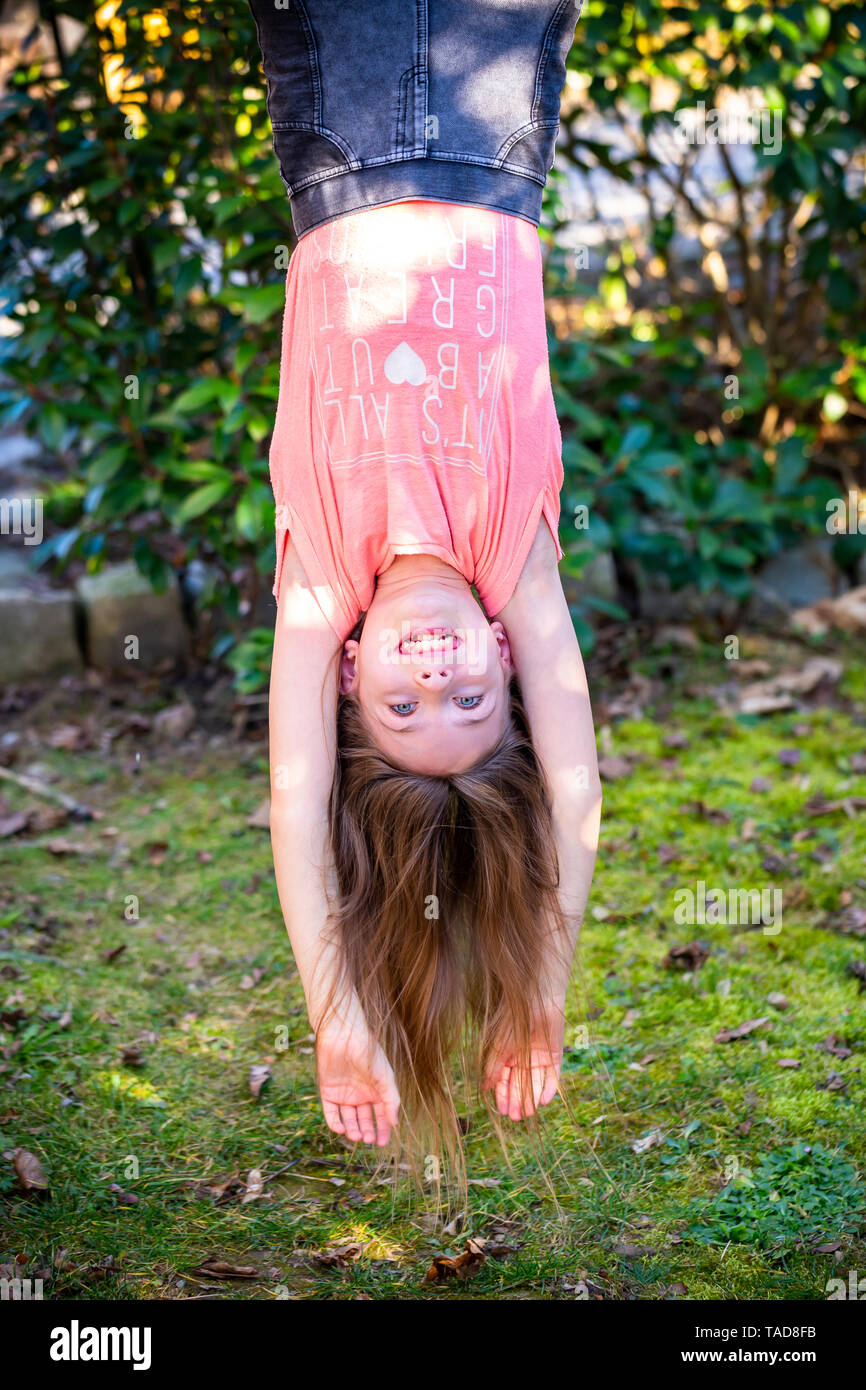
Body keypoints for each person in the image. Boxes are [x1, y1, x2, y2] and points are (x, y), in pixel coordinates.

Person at [249, 0, 601, 1151]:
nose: (435, 673)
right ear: (509, 661)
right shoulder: (517, 562)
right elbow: (575, 797)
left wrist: (335, 1009)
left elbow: (300, 802)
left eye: (402, 707)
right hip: (490, 133)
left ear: (348, 676)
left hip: (338, 135)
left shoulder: (319, 588)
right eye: (469, 699)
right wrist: (539, 984)